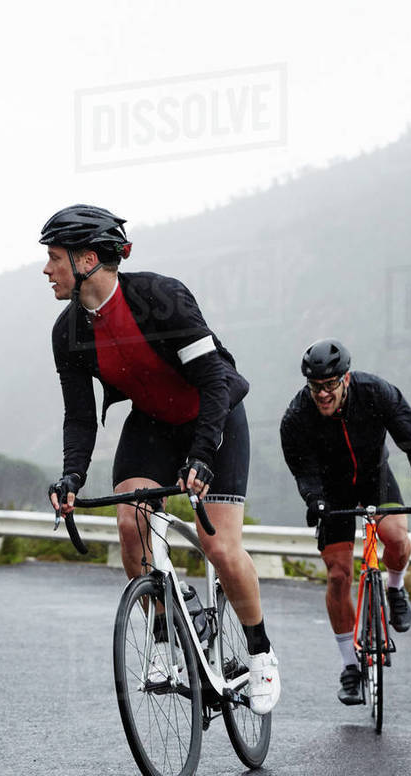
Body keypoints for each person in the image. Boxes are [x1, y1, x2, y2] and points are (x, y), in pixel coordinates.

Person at [42, 204, 280, 715]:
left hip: (212, 415)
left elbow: (215, 379)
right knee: (131, 525)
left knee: (221, 548)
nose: (47, 270)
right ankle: (168, 635)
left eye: (54, 258)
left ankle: (261, 653)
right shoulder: (67, 333)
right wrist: (71, 476)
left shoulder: (159, 298)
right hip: (151, 423)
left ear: (87, 260)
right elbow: (80, 418)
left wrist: (201, 456)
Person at [279, 338, 411, 705]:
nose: (322, 394)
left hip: (374, 477)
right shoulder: (296, 416)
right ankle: (350, 667)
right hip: (332, 492)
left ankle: (395, 588)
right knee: (338, 574)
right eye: (315, 387)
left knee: (396, 538)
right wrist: (314, 500)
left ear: (346, 379)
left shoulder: (377, 392)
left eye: (329, 386)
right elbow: (303, 469)